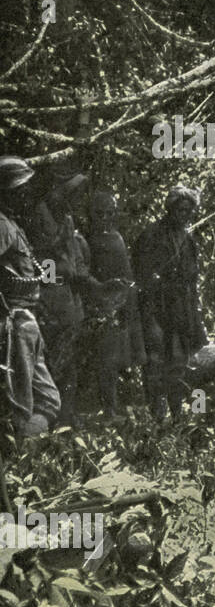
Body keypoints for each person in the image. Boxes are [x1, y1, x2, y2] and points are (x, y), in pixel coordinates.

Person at [22, 168, 100, 427]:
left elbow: (73, 261)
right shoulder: (40, 215)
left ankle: (65, 418)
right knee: (50, 360)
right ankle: (47, 420)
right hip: (48, 297)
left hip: (67, 297)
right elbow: (45, 262)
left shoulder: (66, 218)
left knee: (69, 361)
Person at [134, 185, 207, 421]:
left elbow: (193, 281)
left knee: (180, 363)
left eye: (188, 211)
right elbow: (141, 277)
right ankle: (156, 415)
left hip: (182, 310)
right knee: (155, 363)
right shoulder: (151, 235)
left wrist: (195, 315)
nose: (184, 215)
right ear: (170, 209)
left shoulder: (188, 240)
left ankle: (178, 413)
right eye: (179, 209)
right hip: (157, 308)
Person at [0, 155, 61, 438]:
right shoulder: (2, 225)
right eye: (18, 189)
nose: (25, 194)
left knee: (48, 401)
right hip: (14, 321)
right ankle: (18, 468)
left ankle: (23, 459)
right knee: (21, 406)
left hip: (26, 319)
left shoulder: (13, 224)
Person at [84, 190, 144, 417]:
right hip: (97, 306)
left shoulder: (116, 237)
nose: (105, 218)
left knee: (117, 360)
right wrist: (101, 288)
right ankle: (107, 408)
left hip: (118, 305)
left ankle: (112, 406)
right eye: (100, 213)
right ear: (91, 214)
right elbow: (82, 274)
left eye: (110, 213)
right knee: (103, 361)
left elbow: (127, 273)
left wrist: (128, 300)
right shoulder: (86, 239)